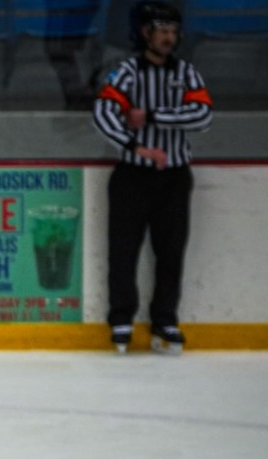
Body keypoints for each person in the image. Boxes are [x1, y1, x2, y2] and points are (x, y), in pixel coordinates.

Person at [92, 1, 212, 355]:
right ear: (146, 33)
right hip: (132, 176)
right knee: (123, 251)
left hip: (174, 177)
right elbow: (102, 114)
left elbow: (203, 115)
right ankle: (121, 319)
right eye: (162, 31)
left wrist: (154, 116)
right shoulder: (126, 72)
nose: (168, 38)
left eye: (173, 32)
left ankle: (165, 319)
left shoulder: (186, 73)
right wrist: (136, 145)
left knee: (171, 252)